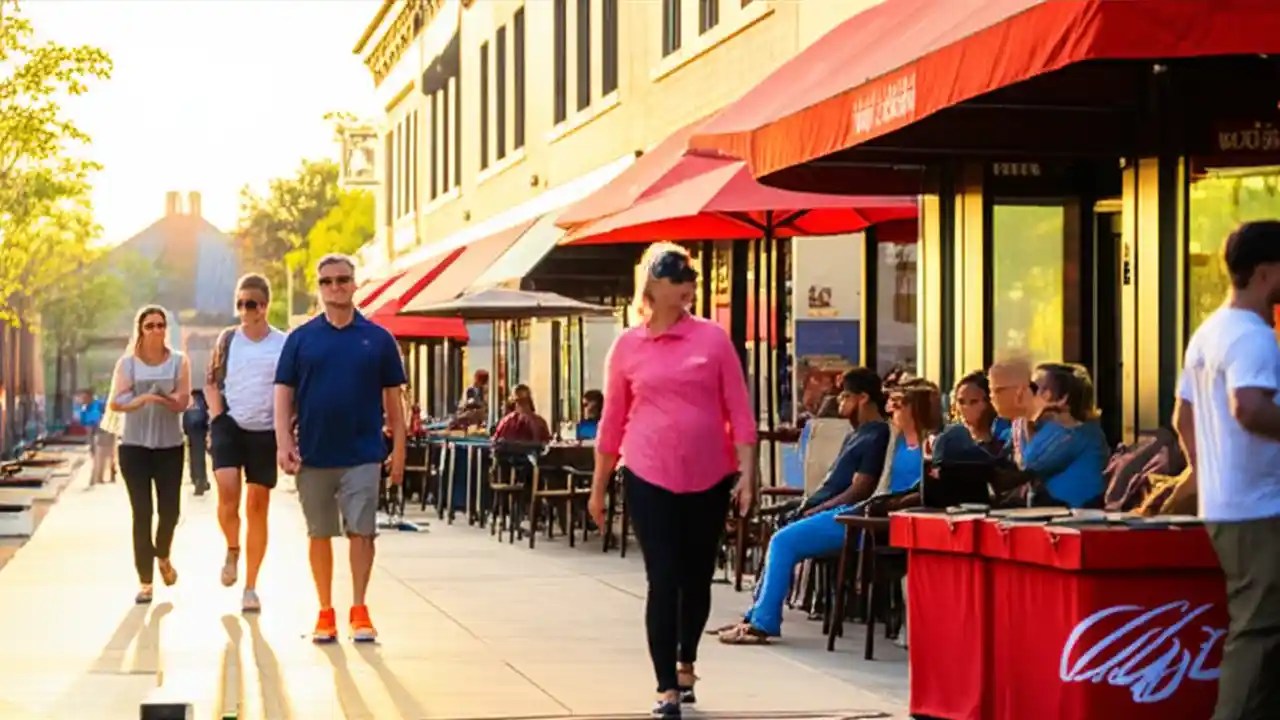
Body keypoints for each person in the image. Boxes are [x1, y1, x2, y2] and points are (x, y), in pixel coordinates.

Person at [587, 243, 755, 719]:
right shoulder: (627, 346)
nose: (688, 286)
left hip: (709, 474)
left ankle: (687, 659)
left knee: (696, 577)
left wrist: (748, 473)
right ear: (653, 286)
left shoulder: (712, 339)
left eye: (692, 279)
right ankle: (666, 688)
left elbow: (738, 409)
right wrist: (599, 487)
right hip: (648, 471)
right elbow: (612, 422)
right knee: (662, 578)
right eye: (678, 278)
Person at [1173, 221, 1280, 720]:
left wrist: (1207, 474)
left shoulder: (1209, 330)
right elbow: (1251, 408)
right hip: (1262, 507)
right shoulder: (1254, 337)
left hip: (1226, 507)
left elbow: (1182, 417)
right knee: (1258, 633)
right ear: (1265, 273)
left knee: (1260, 630)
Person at [274, 254, 406, 643]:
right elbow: (283, 395)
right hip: (313, 454)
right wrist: (283, 443)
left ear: (354, 283)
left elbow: (394, 402)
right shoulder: (300, 339)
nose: (336, 287)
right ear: (319, 288)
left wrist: (398, 451)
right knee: (319, 533)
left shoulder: (378, 339)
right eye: (327, 281)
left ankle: (360, 609)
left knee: (362, 532)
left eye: (343, 280)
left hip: (363, 453)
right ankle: (325, 611)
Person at [718, 367, 891, 647]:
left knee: (783, 542)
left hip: (848, 516)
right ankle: (754, 616)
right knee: (778, 530)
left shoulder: (877, 435)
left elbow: (860, 489)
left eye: (845, 396)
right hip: (825, 510)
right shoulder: (854, 434)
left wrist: (818, 510)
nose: (839, 402)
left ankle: (764, 624)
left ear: (863, 398)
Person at [206, 273, 287, 613]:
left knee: (257, 507)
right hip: (231, 425)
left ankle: (251, 586)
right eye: (239, 303)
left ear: (265, 307)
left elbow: (291, 388)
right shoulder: (228, 339)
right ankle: (232, 547)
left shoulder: (283, 343)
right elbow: (211, 381)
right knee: (227, 494)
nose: (243, 309)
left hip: (266, 431)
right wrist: (217, 416)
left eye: (250, 304)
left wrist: (287, 431)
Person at [107, 306, 191, 604]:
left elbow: (184, 399)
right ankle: (145, 582)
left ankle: (163, 555)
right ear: (140, 329)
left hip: (169, 446)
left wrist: (169, 400)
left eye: (160, 325)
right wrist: (143, 398)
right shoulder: (128, 364)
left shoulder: (179, 362)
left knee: (170, 512)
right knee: (142, 514)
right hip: (134, 447)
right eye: (150, 325)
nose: (156, 330)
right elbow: (117, 402)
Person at [1019, 363, 1109, 508]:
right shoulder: (1053, 426)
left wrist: (1027, 420)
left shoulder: (1073, 431)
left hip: (1080, 515)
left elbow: (1030, 464)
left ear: (1062, 398)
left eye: (1035, 388)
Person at [931, 370, 1013, 463]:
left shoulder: (1005, 443)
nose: (966, 408)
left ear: (989, 403)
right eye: (961, 402)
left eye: (974, 401)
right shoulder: (947, 441)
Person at [182, 389, 211, 496]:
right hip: (201, 398)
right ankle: (200, 479)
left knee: (195, 448)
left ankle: (198, 478)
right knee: (200, 449)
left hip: (190, 400)